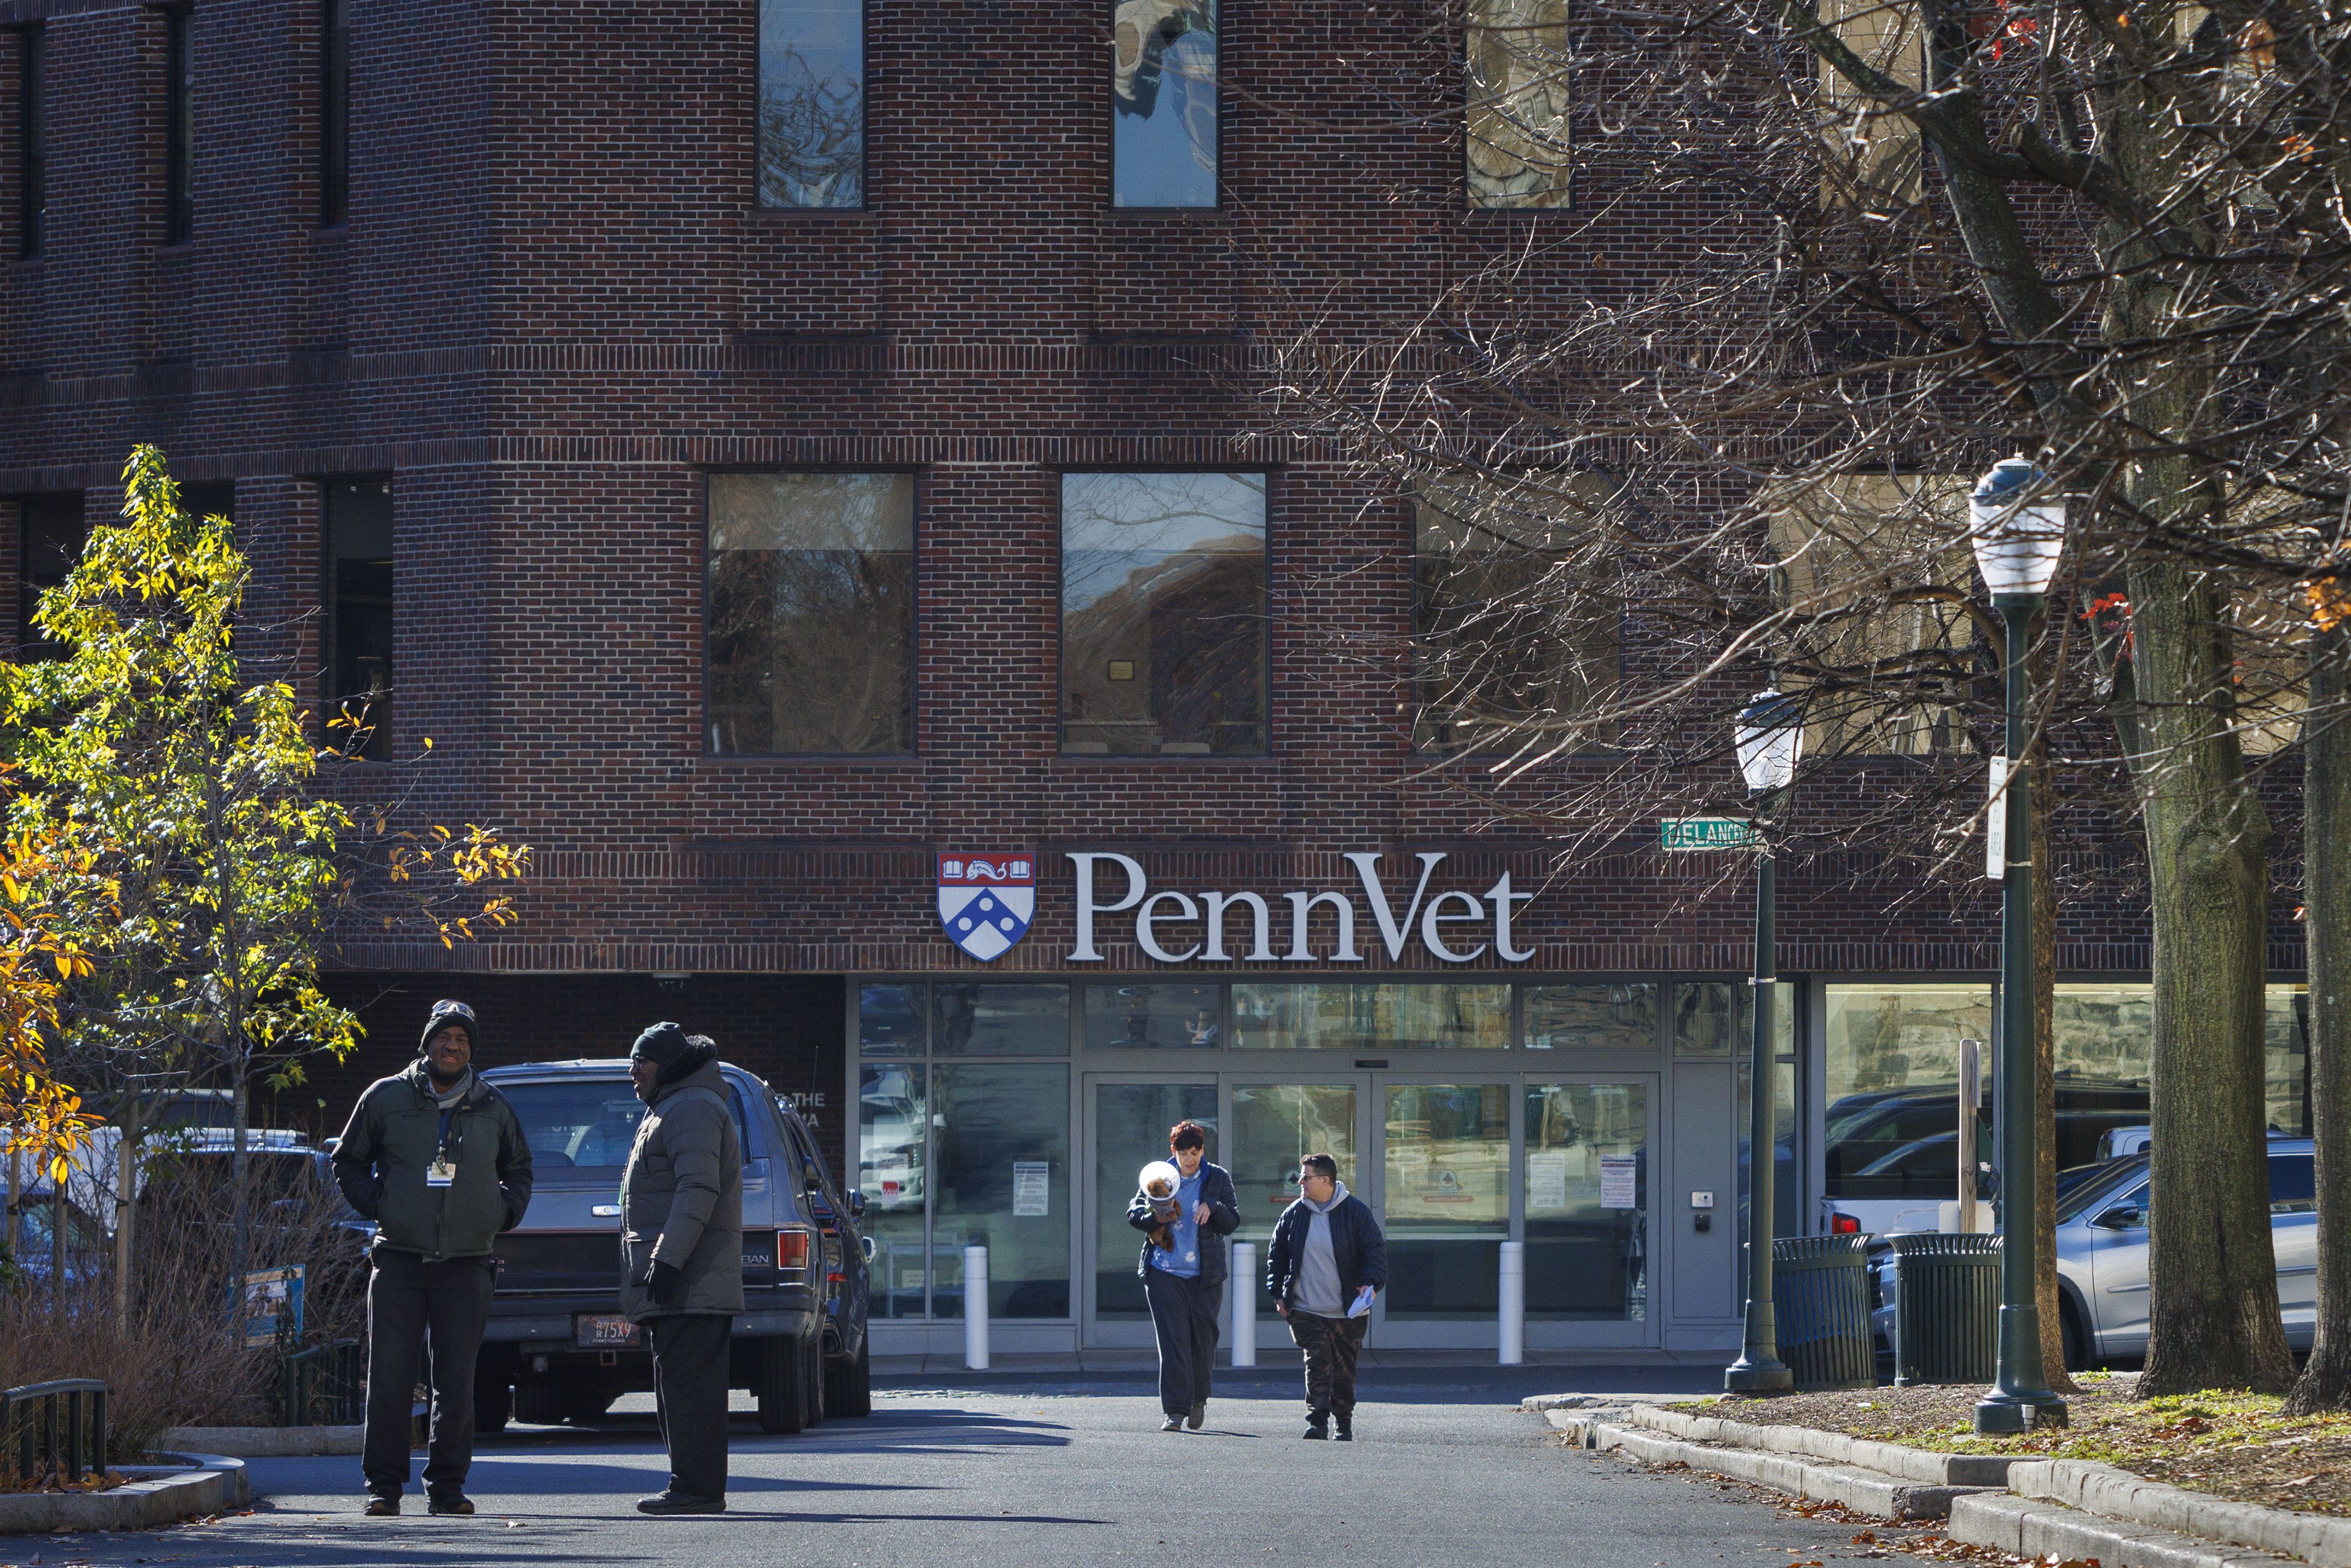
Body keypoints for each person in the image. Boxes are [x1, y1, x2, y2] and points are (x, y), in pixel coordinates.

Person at [332, 999, 535, 1517]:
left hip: (468, 1263)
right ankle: (384, 1486)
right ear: (427, 1043)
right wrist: (382, 1206)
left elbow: (520, 1165)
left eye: (463, 1039)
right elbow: (347, 1158)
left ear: (471, 1050)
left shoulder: (492, 1104)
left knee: (456, 1384)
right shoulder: (385, 1097)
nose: (453, 1046)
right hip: (399, 1260)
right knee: (390, 1380)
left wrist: (501, 1213)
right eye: (444, 1037)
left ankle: (447, 1487)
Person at [620, 1023, 743, 1515]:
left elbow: (698, 1188)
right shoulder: (674, 1105)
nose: (632, 1071)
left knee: (692, 1390)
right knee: (682, 1386)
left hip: (691, 1279)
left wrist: (667, 1259)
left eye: (640, 1062)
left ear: (666, 1065)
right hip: (681, 1281)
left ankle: (696, 1488)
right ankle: (691, 1484)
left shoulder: (691, 1105)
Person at [1264, 1152, 1386, 1441]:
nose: (1301, 1182)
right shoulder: (1294, 1214)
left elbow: (1375, 1253)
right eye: (1302, 1177)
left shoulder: (1355, 1212)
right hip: (1306, 1309)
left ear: (1325, 1180)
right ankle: (1316, 1420)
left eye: (1306, 1177)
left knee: (1344, 1371)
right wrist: (1278, 1292)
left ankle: (1343, 1422)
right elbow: (1277, 1256)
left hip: (1348, 1311)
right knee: (1317, 1363)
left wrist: (1370, 1282)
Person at [1126, 1121, 1239, 1432]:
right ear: (1173, 1151)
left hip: (1206, 1276)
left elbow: (1232, 1222)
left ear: (1203, 1150)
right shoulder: (1159, 1175)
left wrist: (1213, 1207)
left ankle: (1199, 1398)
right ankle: (1174, 1411)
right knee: (1173, 1342)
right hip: (1164, 1272)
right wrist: (1155, 1216)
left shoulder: (1217, 1177)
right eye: (1183, 1152)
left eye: (1196, 1151)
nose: (1190, 1159)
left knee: (1203, 1344)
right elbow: (1134, 1213)